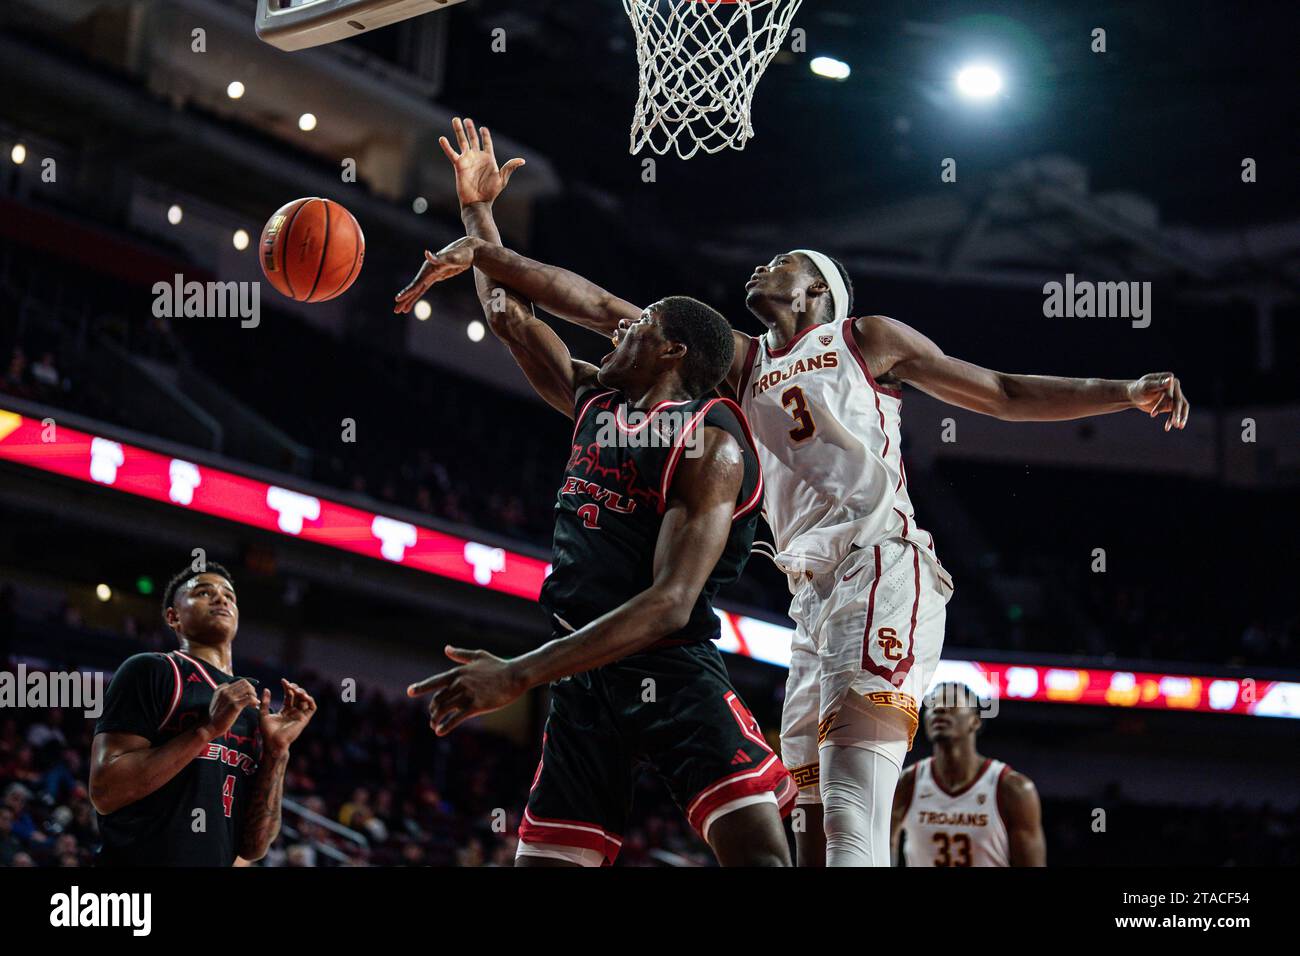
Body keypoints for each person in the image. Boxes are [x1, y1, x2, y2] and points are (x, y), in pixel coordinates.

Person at [397, 116, 1190, 867]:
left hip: (883, 567)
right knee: (809, 834)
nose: (762, 266)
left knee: (850, 811)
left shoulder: (864, 339)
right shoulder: (735, 363)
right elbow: (600, 307)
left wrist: (1124, 388)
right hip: (810, 602)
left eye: (784, 263)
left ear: (818, 292)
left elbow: (1003, 392)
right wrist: (483, 241)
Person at [398, 120, 795, 867]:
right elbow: (507, 313)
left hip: (668, 672)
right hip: (581, 679)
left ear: (672, 350)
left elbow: (671, 603)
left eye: (636, 326)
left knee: (764, 860)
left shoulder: (712, 437)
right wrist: (479, 214)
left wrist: (518, 672)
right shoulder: (594, 401)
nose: (615, 335)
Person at [89, 562, 317, 866]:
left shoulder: (253, 708)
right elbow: (107, 791)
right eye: (203, 592)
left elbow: (253, 847)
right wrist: (206, 730)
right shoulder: (152, 670)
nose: (221, 599)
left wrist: (277, 752)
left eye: (229, 596)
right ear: (174, 617)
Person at [891, 682, 1045, 866]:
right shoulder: (906, 782)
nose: (939, 708)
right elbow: (884, 849)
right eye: (932, 705)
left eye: (952, 703)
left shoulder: (1013, 788)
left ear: (975, 721)